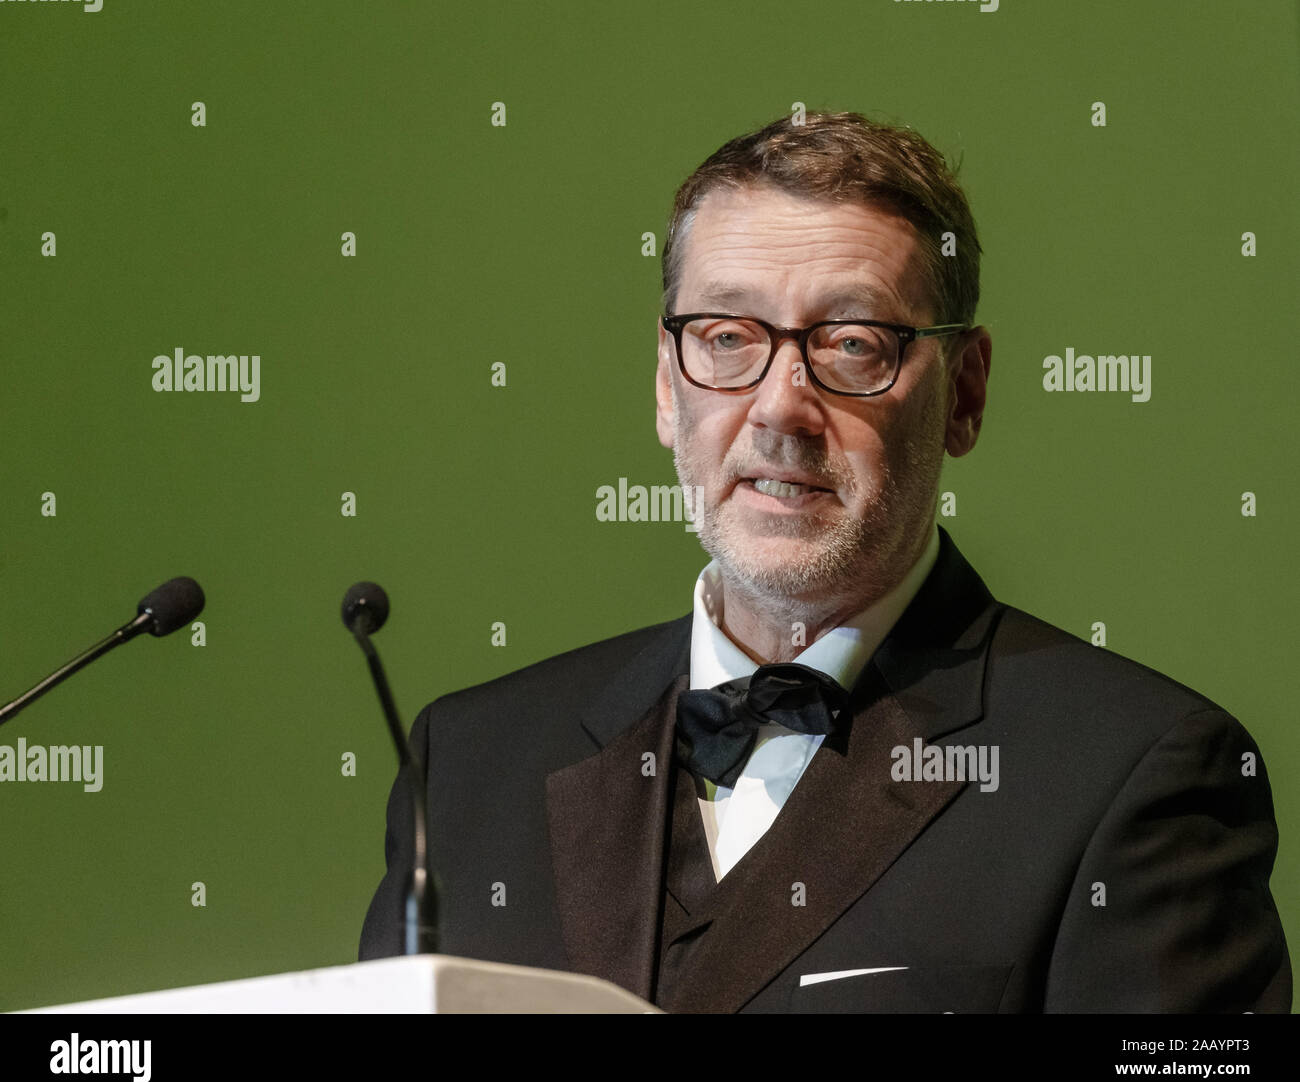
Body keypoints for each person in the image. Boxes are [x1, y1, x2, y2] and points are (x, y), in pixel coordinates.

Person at [359, 111, 1290, 1013]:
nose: (779, 408)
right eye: (728, 338)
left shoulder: (1135, 770)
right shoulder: (469, 764)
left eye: (852, 344)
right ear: (663, 383)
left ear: (964, 394)